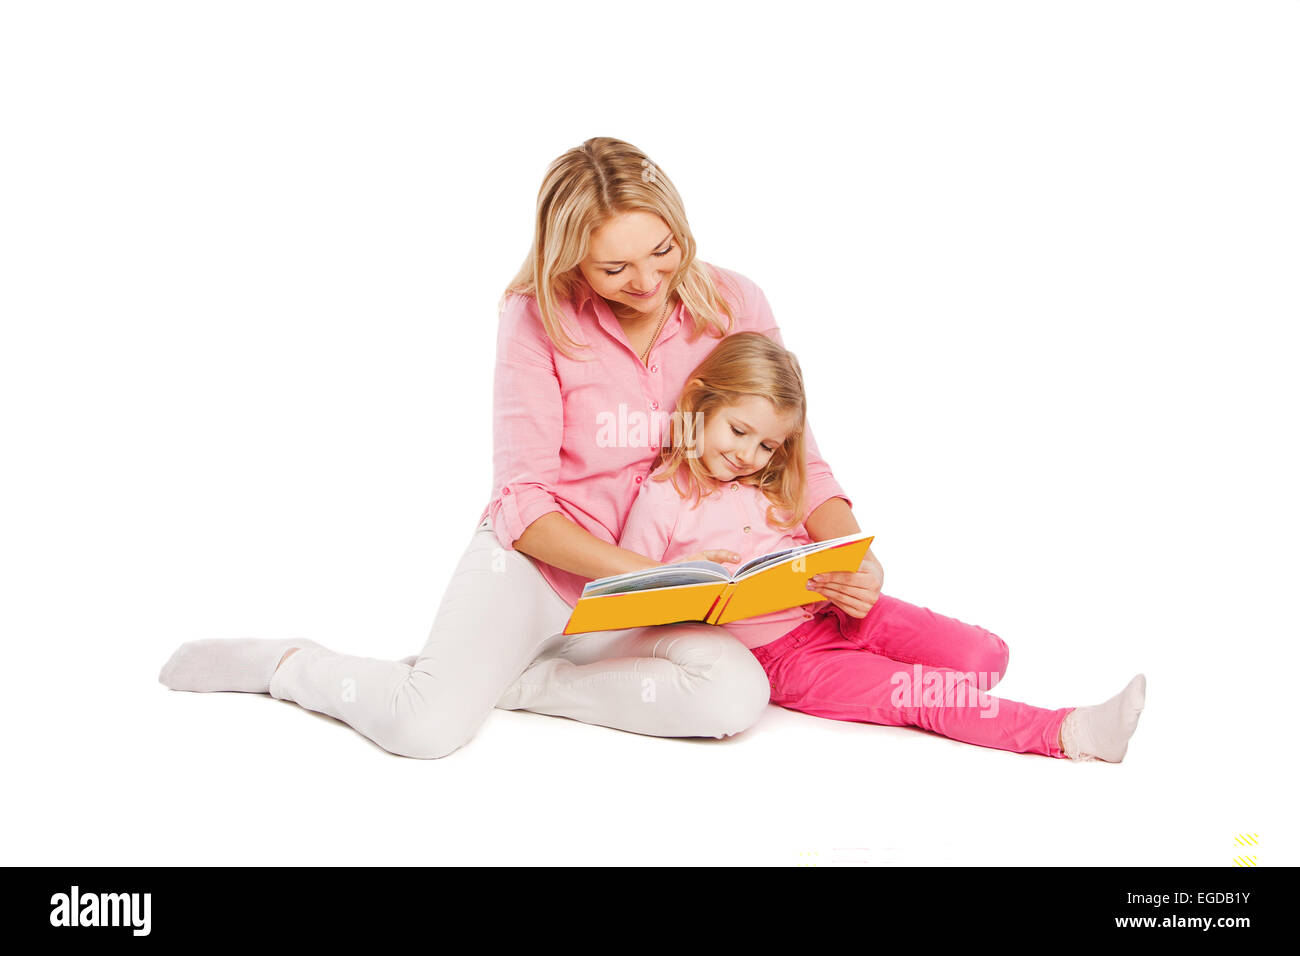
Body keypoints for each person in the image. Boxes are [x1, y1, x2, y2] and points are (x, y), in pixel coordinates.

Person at [157, 137, 882, 758]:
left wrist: (851, 553)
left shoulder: (735, 302)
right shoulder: (535, 315)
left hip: (666, 587)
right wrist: (652, 579)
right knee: (425, 727)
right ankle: (288, 665)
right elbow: (525, 503)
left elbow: (798, 455)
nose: (648, 281)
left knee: (730, 697)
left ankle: (524, 680)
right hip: (547, 565)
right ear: (572, 260)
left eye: (662, 250)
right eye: (614, 269)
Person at [538, 331, 1144, 761]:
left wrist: (854, 576)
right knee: (928, 697)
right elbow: (631, 598)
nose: (749, 455)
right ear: (699, 405)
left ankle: (919, 691)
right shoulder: (663, 497)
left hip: (839, 611)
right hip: (787, 658)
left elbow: (814, 539)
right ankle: (1070, 733)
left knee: (985, 658)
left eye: (768, 445)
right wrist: (690, 580)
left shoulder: (771, 482)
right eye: (739, 431)